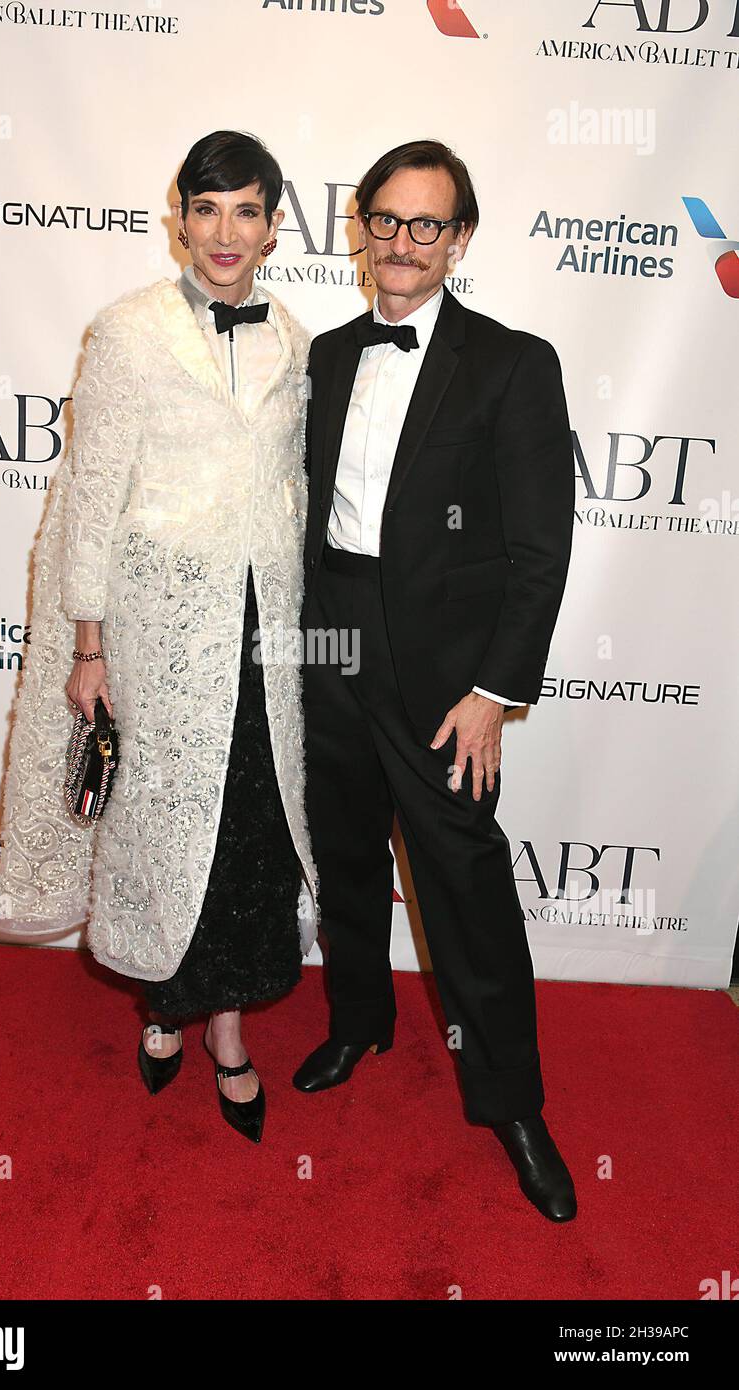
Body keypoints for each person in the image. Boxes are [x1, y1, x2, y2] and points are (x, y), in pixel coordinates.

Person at [0, 130, 319, 1145]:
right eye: (206, 208)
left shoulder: (294, 340)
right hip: (155, 638)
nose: (225, 232)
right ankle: (166, 1007)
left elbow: (292, 490)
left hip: (261, 639)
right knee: (162, 828)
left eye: (246, 211)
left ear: (273, 226)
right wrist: (88, 647)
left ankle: (227, 1027)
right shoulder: (127, 332)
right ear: (179, 219)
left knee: (247, 833)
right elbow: (92, 499)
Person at [295, 140, 577, 1219]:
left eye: (427, 224)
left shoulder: (512, 363)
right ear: (360, 226)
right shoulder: (326, 355)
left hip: (448, 676)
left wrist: (494, 693)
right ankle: (358, 1021)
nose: (403, 242)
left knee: (463, 886)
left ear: (458, 240)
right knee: (345, 853)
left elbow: (538, 551)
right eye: (386, 219)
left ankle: (512, 1104)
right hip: (330, 635)